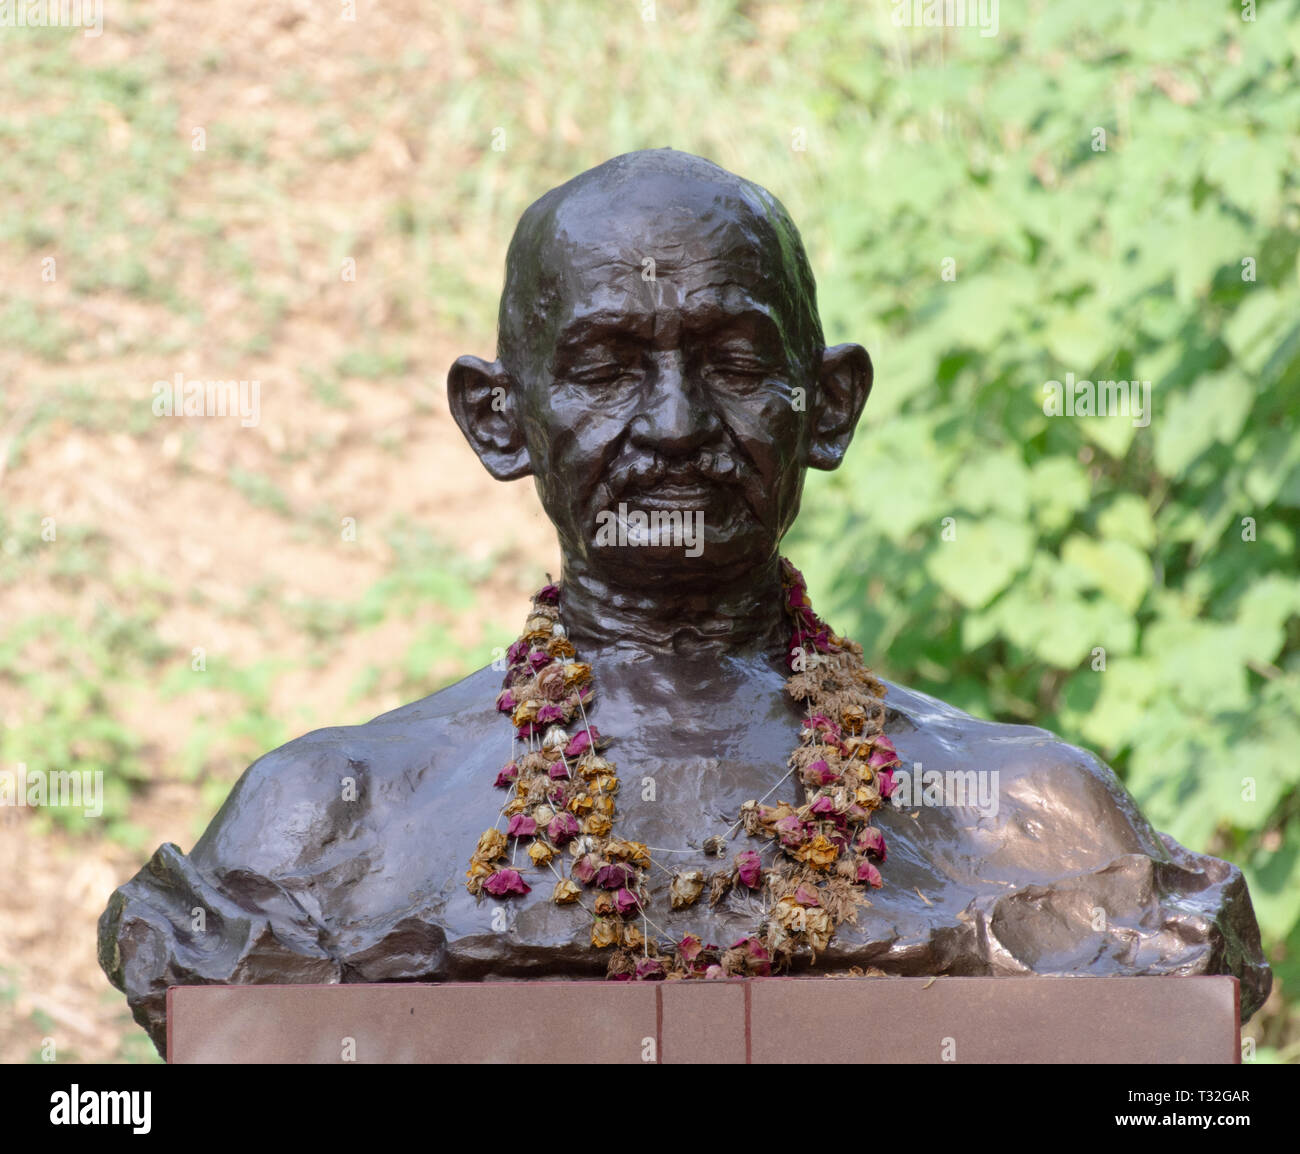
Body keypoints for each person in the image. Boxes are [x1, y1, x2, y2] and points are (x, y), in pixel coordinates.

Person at [101, 149, 1270, 1053]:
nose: (672, 425)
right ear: (498, 420)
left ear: (828, 406)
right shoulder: (318, 832)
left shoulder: (1039, 824)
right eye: (607, 367)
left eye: (730, 360)